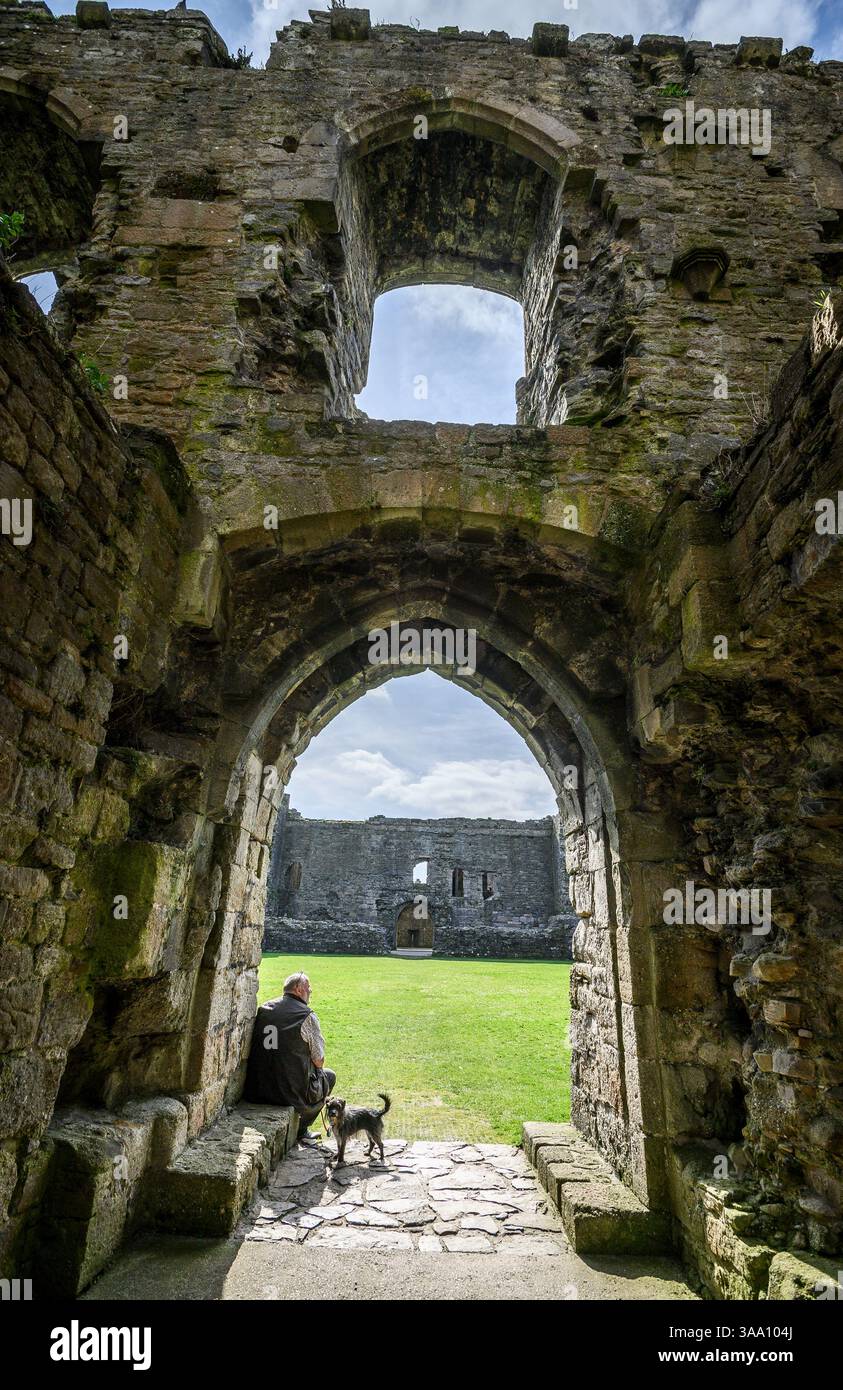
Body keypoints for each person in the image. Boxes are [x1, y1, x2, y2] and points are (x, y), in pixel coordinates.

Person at [244, 970, 336, 1142]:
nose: (311, 991)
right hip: (288, 1094)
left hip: (257, 1088)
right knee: (329, 1076)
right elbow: (319, 1060)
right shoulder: (307, 1016)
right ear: (298, 989)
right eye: (308, 988)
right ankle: (301, 1129)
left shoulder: (264, 1009)